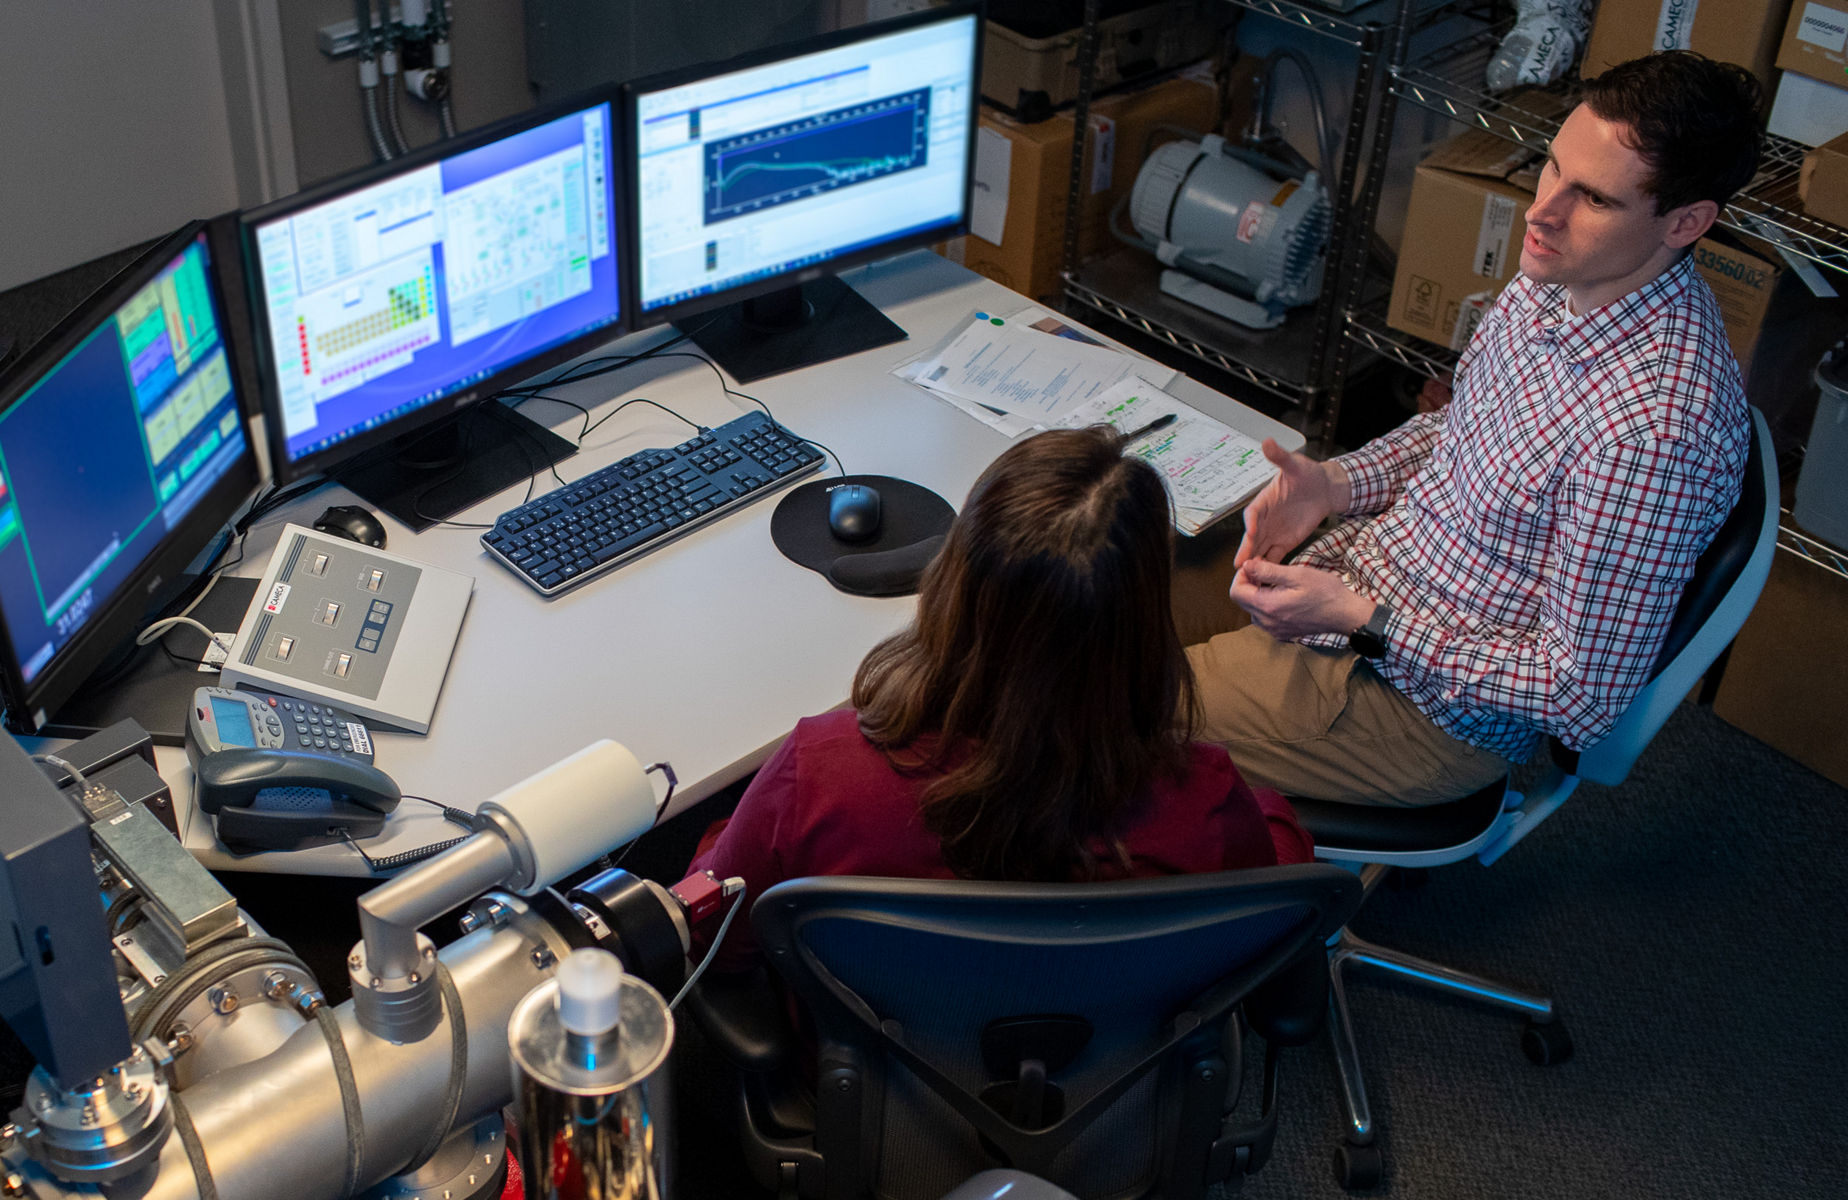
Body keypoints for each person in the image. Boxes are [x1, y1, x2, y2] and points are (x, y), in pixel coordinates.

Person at [1187, 50, 1765, 806]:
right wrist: (1332, 484)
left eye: (1590, 197)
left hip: (1419, 709)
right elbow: (1463, 429)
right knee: (1088, 597)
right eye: (1551, 168)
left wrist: (1365, 621)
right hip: (1364, 576)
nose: (1541, 210)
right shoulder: (1563, 277)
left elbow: (1577, 697)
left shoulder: (1654, 434)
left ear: (1686, 222)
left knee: (1090, 712)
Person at [688, 427, 1313, 969]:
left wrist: (729, 827)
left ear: (953, 582)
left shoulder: (821, 773)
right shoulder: (1202, 804)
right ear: (1146, 621)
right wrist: (1262, 810)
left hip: (868, 1084)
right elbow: (1274, 904)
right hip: (1113, 1087)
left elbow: (712, 937)